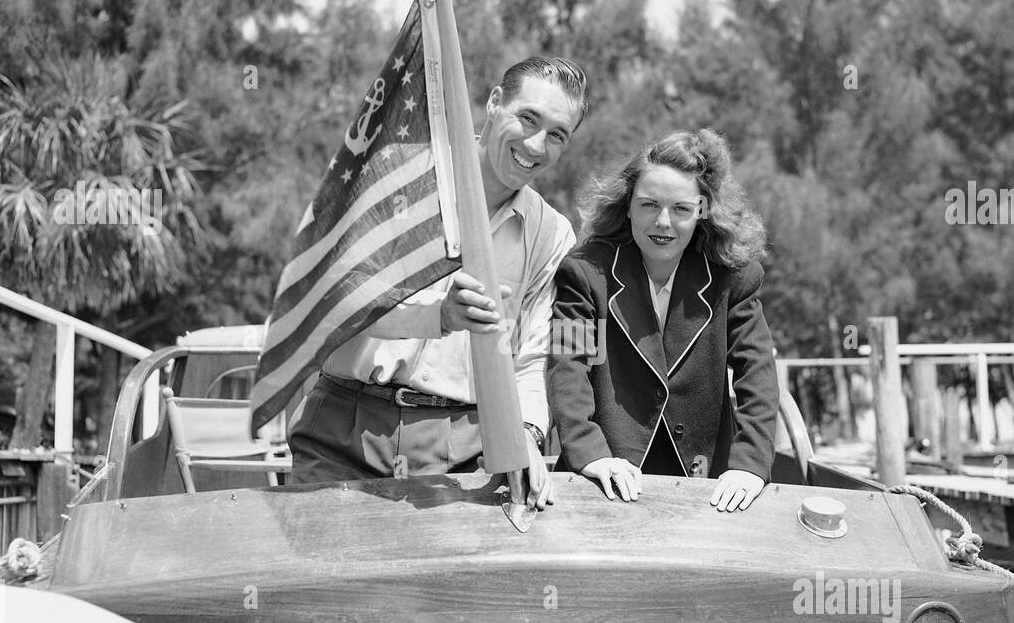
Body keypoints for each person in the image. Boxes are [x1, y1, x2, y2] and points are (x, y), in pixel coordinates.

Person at [288, 56, 588, 509]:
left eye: (557, 135)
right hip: (343, 432)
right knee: (318, 574)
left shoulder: (552, 234)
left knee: (442, 584)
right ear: (493, 103)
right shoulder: (393, 180)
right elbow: (338, 302)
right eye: (528, 118)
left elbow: (528, 359)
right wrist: (439, 317)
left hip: (466, 451)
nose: (537, 144)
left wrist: (525, 434)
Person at [547, 128, 778, 512]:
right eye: (649, 205)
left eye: (681, 209)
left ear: (703, 211)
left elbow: (758, 374)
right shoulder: (583, 274)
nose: (664, 222)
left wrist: (749, 467)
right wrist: (591, 455)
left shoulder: (734, 279)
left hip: (707, 488)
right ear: (628, 206)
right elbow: (567, 367)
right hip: (605, 479)